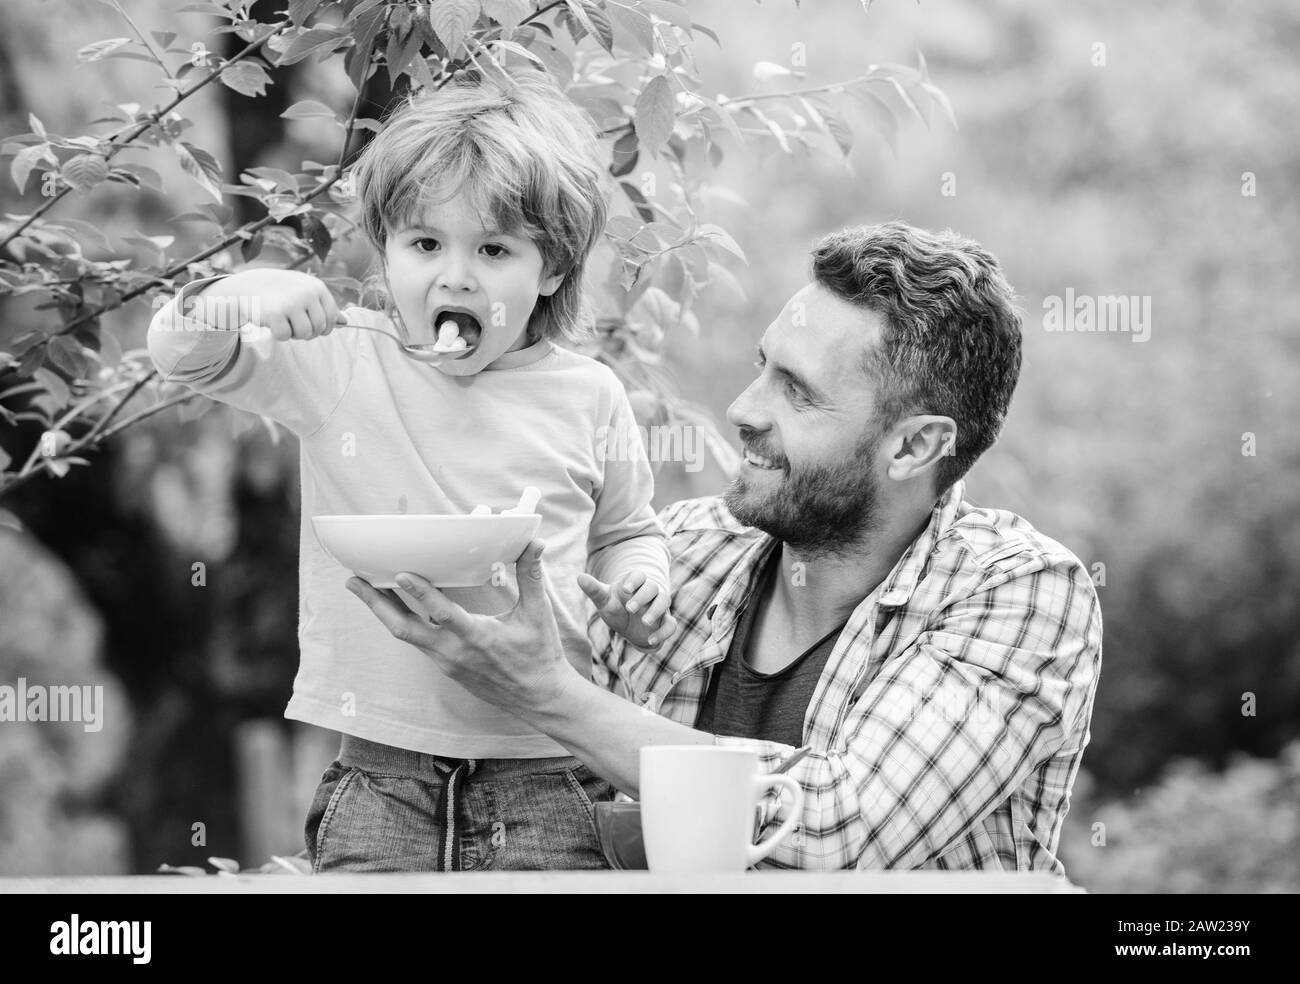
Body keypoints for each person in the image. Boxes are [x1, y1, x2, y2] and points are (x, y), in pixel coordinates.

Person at [348, 221, 1104, 873]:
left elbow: (842, 831)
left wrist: (548, 693)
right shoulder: (677, 555)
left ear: (914, 446)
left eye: (798, 392)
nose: (744, 411)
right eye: (760, 367)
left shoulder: (1021, 591)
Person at [147, 73, 675, 872]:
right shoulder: (342, 362)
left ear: (553, 271)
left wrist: (639, 581)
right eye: (425, 245)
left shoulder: (588, 394)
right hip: (379, 774)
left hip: (551, 774)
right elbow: (182, 359)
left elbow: (629, 531)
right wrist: (234, 294)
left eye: (494, 249)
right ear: (388, 251)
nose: (454, 276)